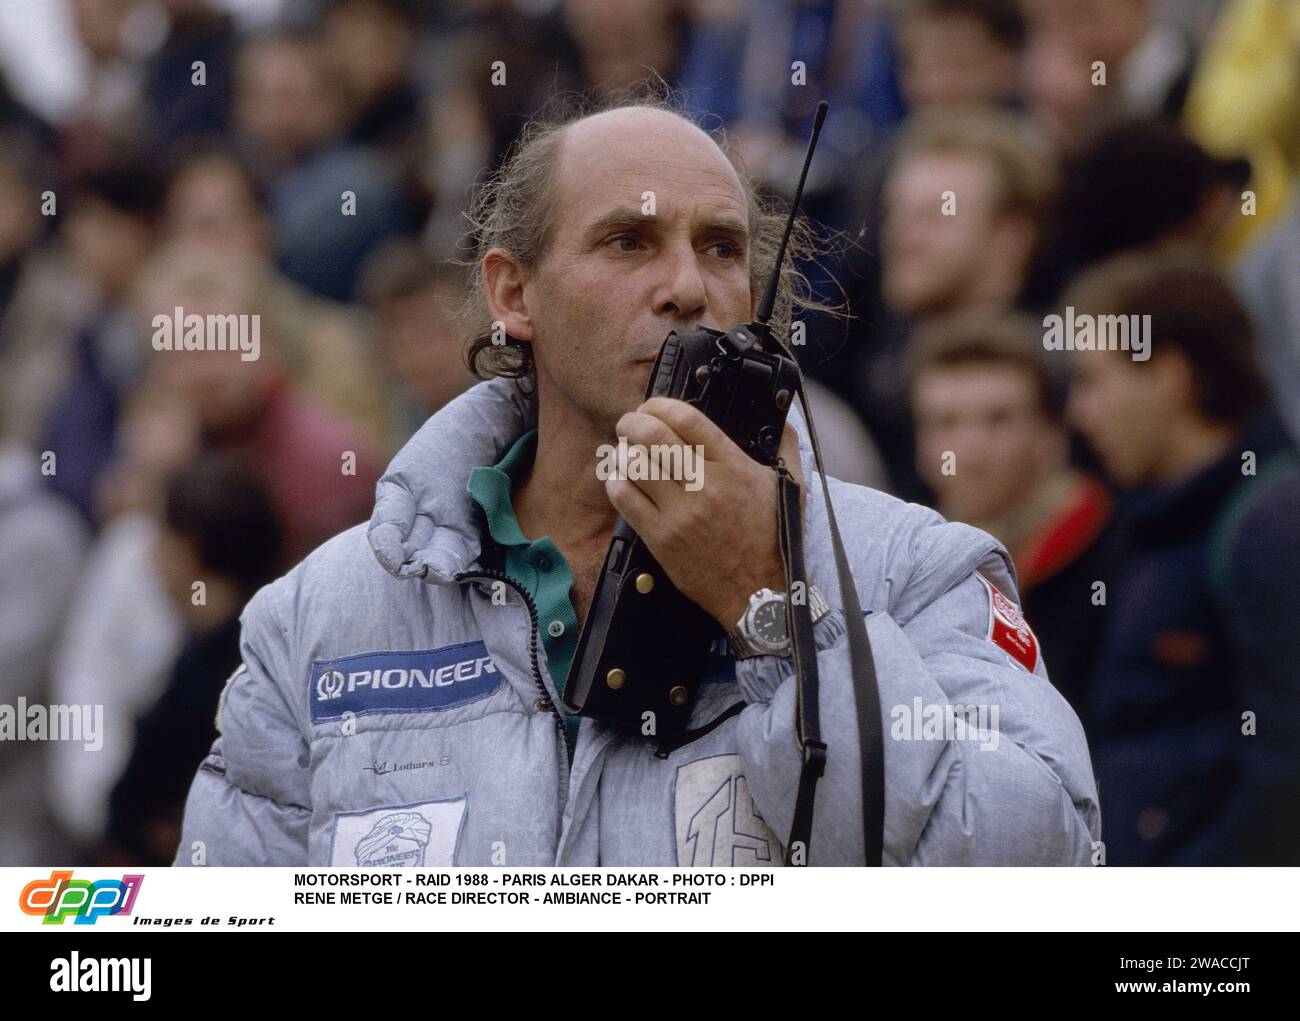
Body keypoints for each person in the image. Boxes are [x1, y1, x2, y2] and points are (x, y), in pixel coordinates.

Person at [175, 93, 1098, 867]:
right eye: (630, 242)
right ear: (512, 294)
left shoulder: (918, 568)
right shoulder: (318, 620)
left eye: (723, 248)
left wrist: (772, 604)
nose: (688, 287)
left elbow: (1036, 866)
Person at [1065, 249, 1300, 865]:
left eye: (1094, 380)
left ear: (1169, 375)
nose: (1079, 413)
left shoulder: (1270, 528)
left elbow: (1284, 781)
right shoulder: (1148, 520)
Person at [909, 312, 1111, 711]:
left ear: (1053, 434)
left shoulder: (1113, 556)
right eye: (946, 422)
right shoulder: (909, 567)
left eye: (999, 419)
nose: (971, 447)